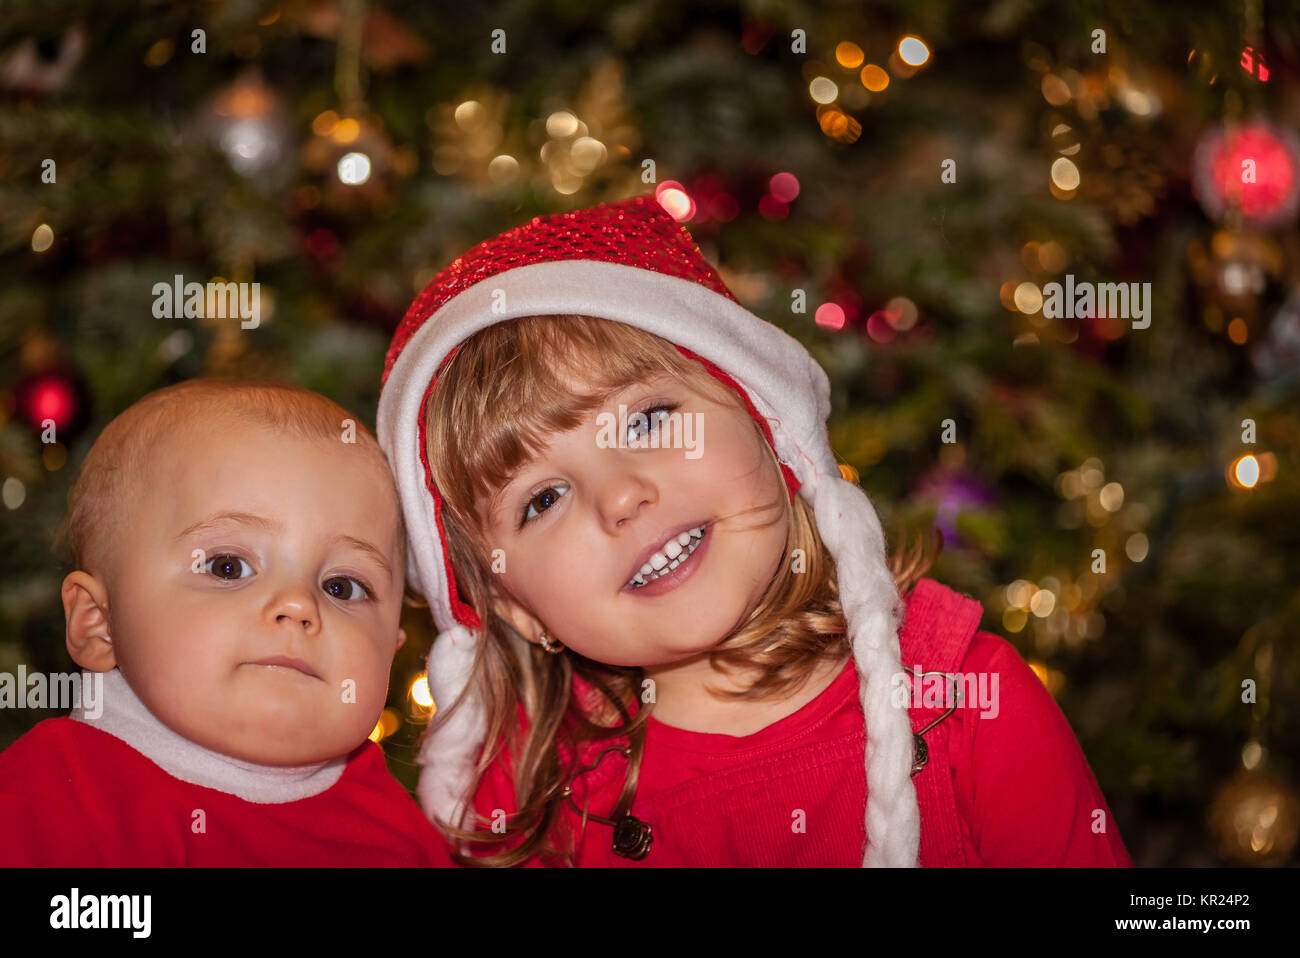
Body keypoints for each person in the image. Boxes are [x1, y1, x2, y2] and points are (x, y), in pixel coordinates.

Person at [377, 195, 1133, 867]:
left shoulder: (967, 705)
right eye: (541, 499)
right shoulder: (530, 807)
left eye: (646, 419)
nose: (621, 499)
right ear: (510, 603)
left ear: (771, 426)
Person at [0, 379, 452, 867]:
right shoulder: (54, 795)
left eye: (342, 587)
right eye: (227, 567)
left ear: (392, 647)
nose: (298, 605)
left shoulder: (399, 832)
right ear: (99, 622)